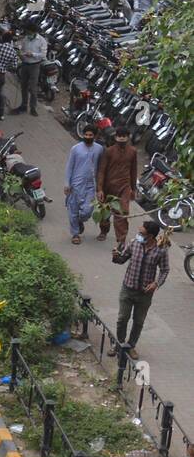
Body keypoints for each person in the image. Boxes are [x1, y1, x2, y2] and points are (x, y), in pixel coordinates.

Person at [112, 219, 168, 355]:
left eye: (141, 233)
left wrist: (156, 283)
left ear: (150, 236)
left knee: (138, 322)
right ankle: (119, 344)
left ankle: (131, 346)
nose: (139, 234)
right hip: (128, 289)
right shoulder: (134, 243)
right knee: (122, 319)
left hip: (144, 294)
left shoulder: (161, 250)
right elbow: (121, 259)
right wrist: (115, 256)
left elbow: (165, 270)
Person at [96, 127, 138, 247]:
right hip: (108, 186)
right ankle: (104, 231)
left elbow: (133, 171)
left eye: (124, 136)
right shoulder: (109, 151)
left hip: (124, 187)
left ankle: (121, 240)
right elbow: (101, 171)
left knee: (122, 213)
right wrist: (99, 189)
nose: (121, 139)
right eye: (119, 136)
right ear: (115, 137)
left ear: (128, 137)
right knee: (105, 212)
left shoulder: (133, 152)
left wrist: (133, 189)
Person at [64, 125, 104, 244]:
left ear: (95, 136)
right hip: (75, 185)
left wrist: (100, 187)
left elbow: (101, 168)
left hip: (91, 185)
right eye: (86, 135)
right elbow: (69, 167)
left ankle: (80, 221)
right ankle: (75, 234)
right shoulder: (75, 149)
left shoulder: (99, 149)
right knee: (73, 210)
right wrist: (67, 183)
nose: (88, 137)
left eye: (90, 135)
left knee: (87, 211)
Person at [9, 22, 47, 116]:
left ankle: (33, 107)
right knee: (23, 86)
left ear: (33, 32)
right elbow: (21, 48)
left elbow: (43, 55)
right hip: (25, 64)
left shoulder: (41, 41)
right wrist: (20, 53)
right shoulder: (25, 39)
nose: (27, 33)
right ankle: (23, 105)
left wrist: (32, 54)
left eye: (29, 32)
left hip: (35, 65)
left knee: (33, 88)